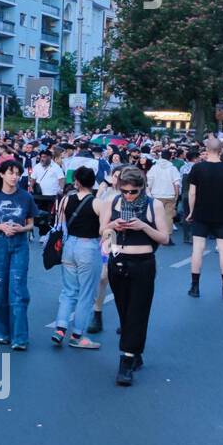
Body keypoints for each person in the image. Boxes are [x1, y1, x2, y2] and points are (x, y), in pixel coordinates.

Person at [99, 165, 170, 386]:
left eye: (133, 191)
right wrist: (113, 224)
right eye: (125, 191)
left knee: (138, 312)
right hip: (118, 261)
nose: (128, 195)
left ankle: (126, 360)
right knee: (124, 312)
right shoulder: (112, 202)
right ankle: (135, 350)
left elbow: (164, 238)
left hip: (143, 263)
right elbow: (102, 232)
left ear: (142, 188)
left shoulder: (153, 205)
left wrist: (142, 226)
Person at [0, 159, 39, 350]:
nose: (14, 177)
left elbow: (31, 224)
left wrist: (22, 228)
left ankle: (20, 337)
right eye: (11, 173)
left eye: (17, 173)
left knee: (19, 290)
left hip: (20, 244)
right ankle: (0, 333)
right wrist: (1, 226)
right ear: (2, 174)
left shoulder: (26, 197)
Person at [52, 166, 102, 349]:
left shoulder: (66, 199)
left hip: (69, 245)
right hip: (88, 247)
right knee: (86, 293)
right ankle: (77, 335)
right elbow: (103, 230)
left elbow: (60, 224)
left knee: (68, 291)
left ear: (77, 182)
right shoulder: (98, 203)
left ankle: (60, 328)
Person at [186, 136, 223, 300]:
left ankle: (195, 286)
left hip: (201, 213)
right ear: (222, 150)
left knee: (198, 248)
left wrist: (191, 211)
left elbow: (192, 192)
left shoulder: (197, 168)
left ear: (206, 150)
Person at [146, 147, 182, 246]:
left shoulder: (154, 167)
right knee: (168, 217)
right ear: (170, 157)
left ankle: (155, 236)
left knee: (155, 216)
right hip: (169, 195)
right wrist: (176, 196)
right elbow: (177, 183)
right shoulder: (173, 168)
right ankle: (167, 238)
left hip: (156, 195)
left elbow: (149, 182)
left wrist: (149, 193)